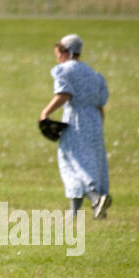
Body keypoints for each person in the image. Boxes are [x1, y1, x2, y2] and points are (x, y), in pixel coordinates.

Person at [40, 33, 111, 218]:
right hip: (94, 121)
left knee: (73, 163)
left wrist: (45, 113)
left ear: (65, 52)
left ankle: (95, 199)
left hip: (76, 120)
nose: (58, 60)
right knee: (88, 163)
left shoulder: (65, 70)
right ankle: (75, 213)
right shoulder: (93, 74)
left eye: (58, 55)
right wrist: (98, 126)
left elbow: (64, 95)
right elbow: (100, 104)